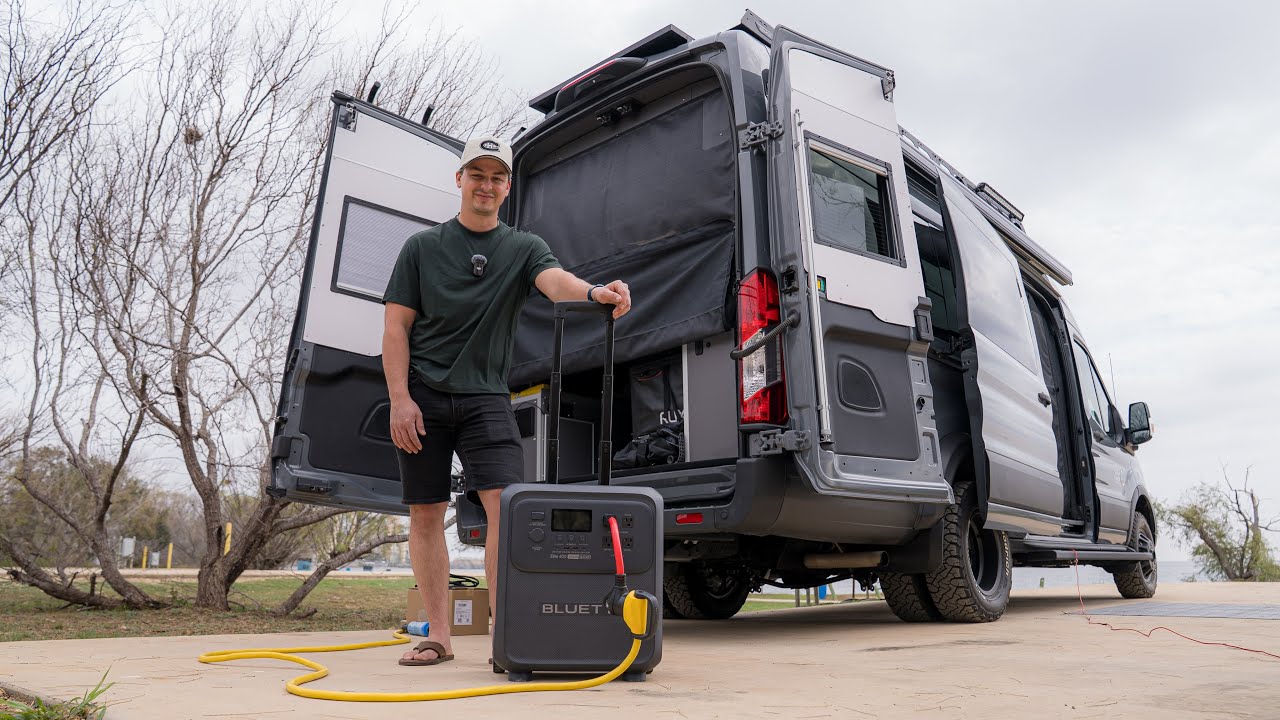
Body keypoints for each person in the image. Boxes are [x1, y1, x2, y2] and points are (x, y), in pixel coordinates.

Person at [382, 135, 631, 666]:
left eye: (497, 177)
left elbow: (556, 282)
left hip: (486, 397)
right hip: (423, 396)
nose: (486, 185)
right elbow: (396, 328)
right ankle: (439, 637)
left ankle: (506, 635)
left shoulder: (521, 248)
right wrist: (400, 399)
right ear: (460, 179)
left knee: (508, 509)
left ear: (507, 187)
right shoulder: (421, 248)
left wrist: (595, 293)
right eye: (477, 174)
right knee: (425, 512)